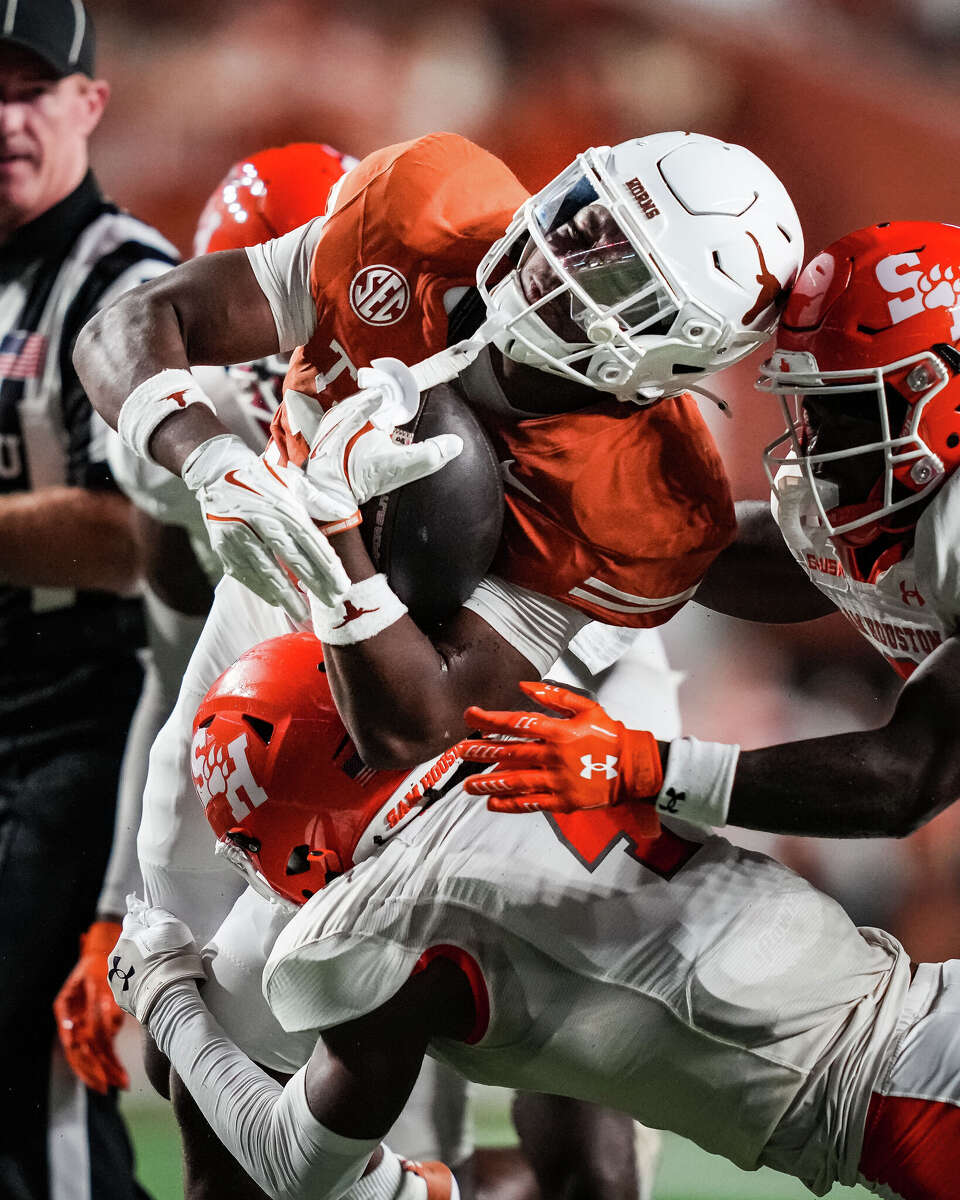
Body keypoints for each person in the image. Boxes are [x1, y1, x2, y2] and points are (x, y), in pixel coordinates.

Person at [73, 129, 801, 1199]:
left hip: (470, 701)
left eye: (618, 273)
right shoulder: (426, 209)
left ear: (670, 360)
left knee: (492, 1093)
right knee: (193, 1004)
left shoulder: (649, 495)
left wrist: (340, 539)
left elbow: (416, 727)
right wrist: (210, 454)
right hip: (269, 604)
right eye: (590, 217)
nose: (565, 255)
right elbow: (136, 323)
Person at [111, 629, 957, 1200]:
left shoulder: (371, 929)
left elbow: (295, 1169)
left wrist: (168, 1002)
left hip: (901, 1102)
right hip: (923, 1013)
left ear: (286, 842)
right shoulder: (529, 742)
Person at [0, 2, 184, 1196]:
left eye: (29, 86)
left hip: (81, 720)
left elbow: (134, 538)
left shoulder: (130, 282)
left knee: (29, 1082)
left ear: (88, 102)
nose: (3, 117)